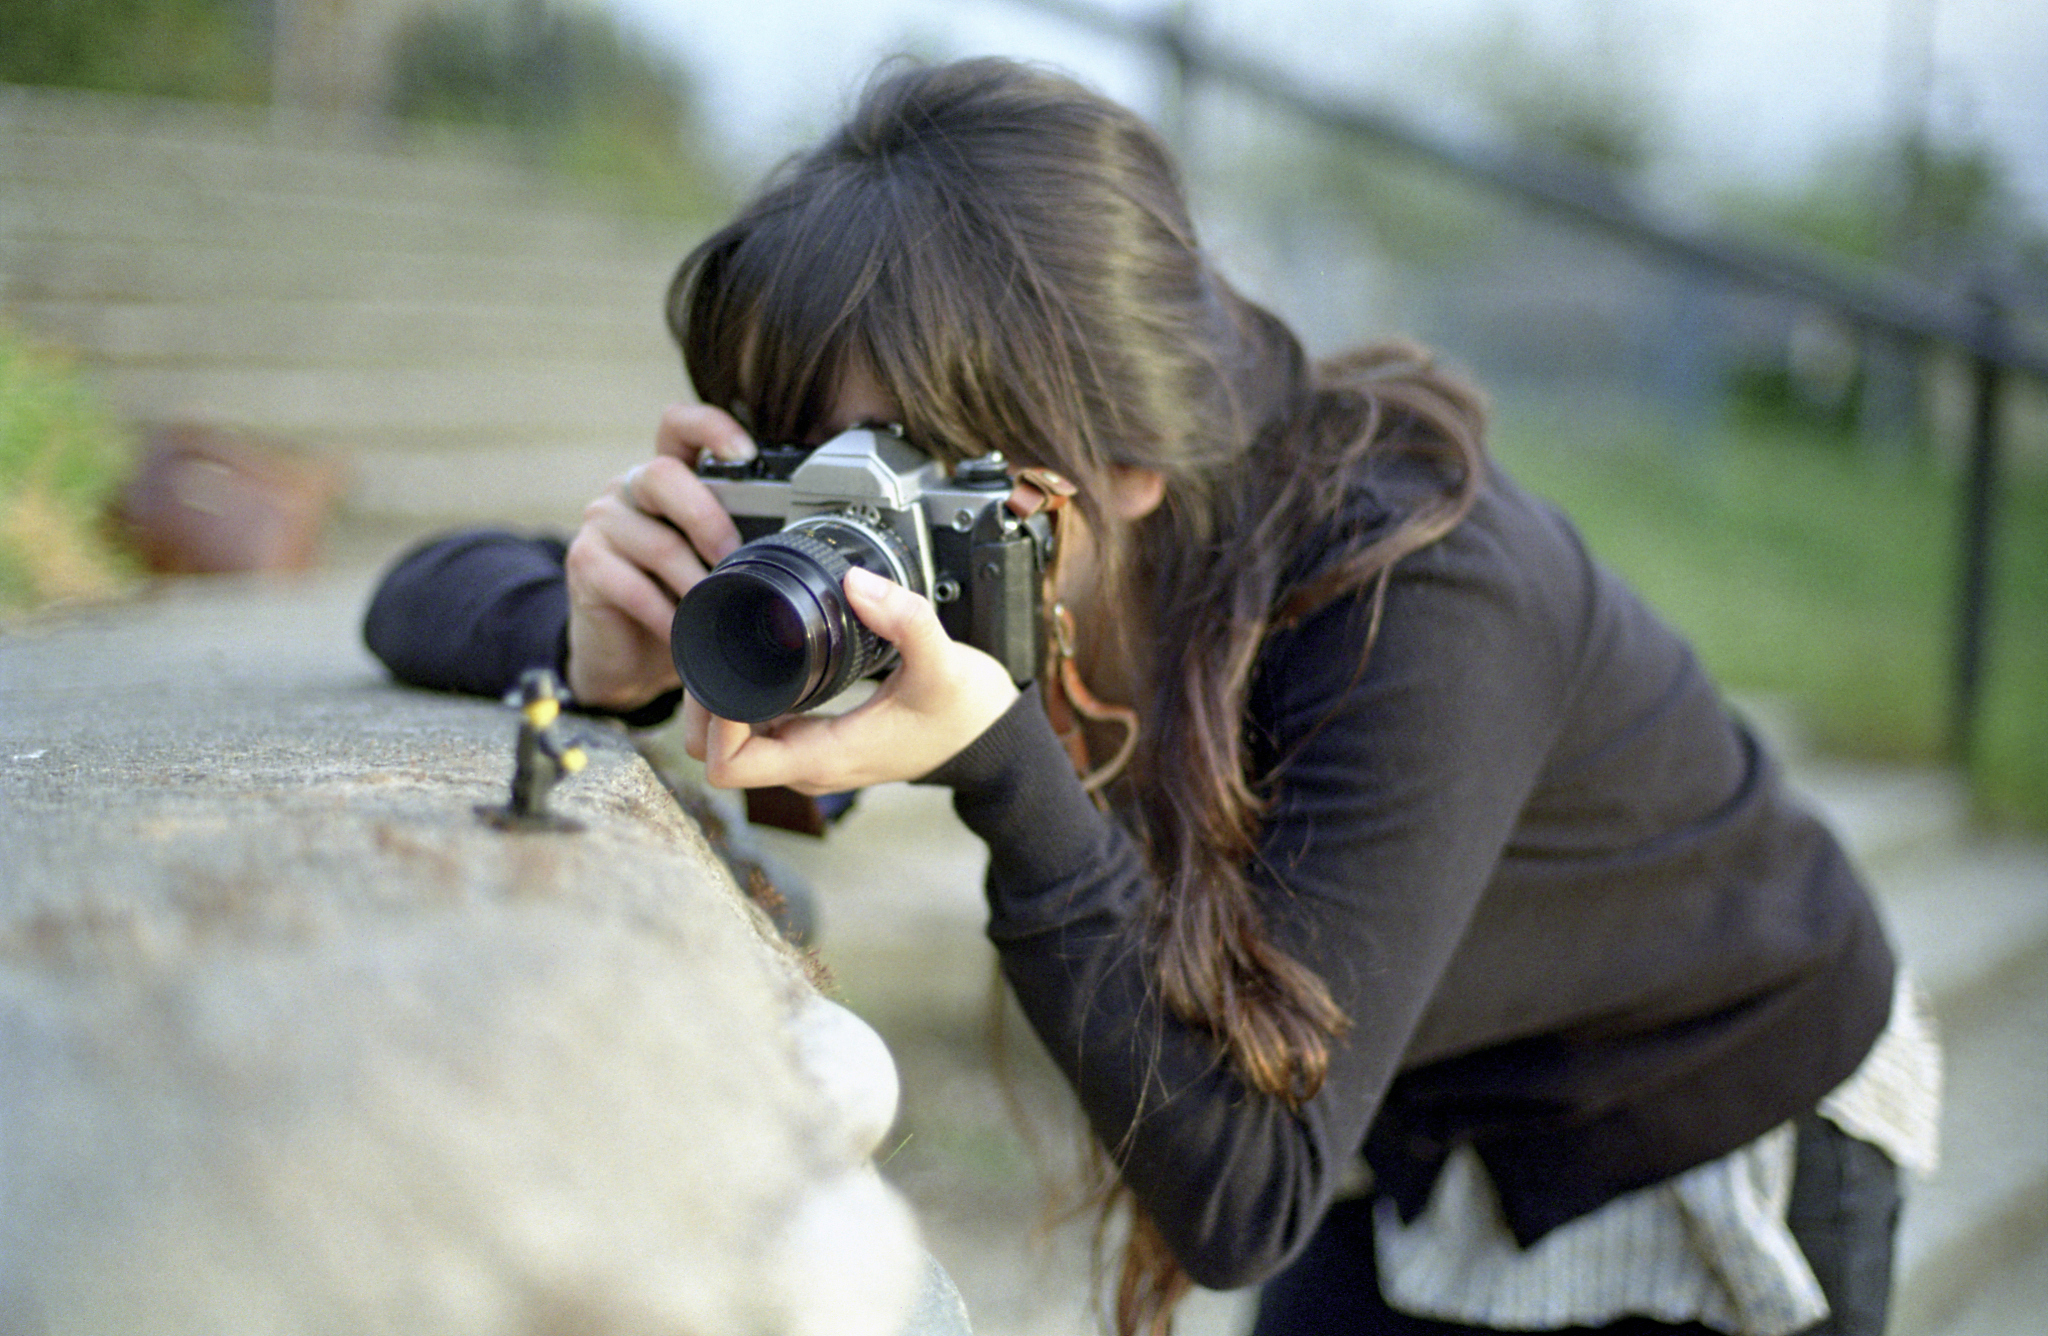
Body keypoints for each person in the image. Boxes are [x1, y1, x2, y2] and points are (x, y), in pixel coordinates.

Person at [363, 57, 1938, 1336]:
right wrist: (607, 645)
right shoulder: (1035, 529)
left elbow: (1241, 1193)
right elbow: (407, 593)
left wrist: (998, 761)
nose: (851, 543)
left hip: (1695, 1120)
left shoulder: (1424, 601)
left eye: (905, 481)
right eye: (802, 473)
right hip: (1380, 1097)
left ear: (1120, 466)